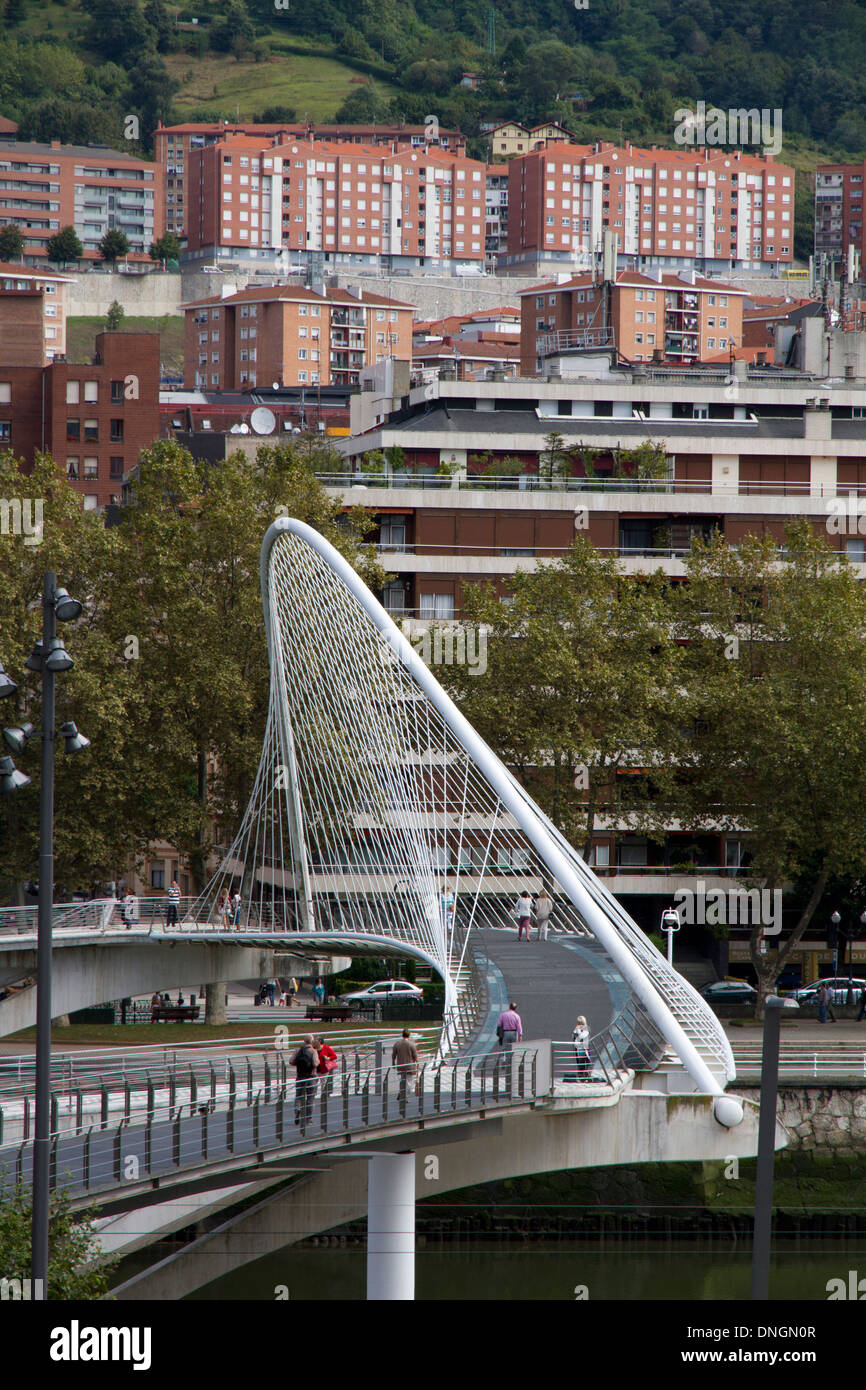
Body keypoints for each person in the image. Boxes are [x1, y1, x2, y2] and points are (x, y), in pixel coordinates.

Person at [291, 1035, 319, 1125]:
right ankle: (308, 1119)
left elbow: (291, 1061)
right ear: (312, 1041)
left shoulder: (298, 1050)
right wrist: (317, 1063)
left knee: (298, 1096)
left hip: (300, 1076)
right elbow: (315, 1063)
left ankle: (297, 1110)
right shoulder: (313, 1051)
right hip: (311, 1076)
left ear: (304, 1041)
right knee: (310, 1098)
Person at [392, 1028, 420, 1096]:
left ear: (402, 1035)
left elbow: (393, 1055)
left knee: (402, 1080)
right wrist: (418, 1065)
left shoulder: (397, 1044)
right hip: (410, 1067)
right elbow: (415, 1056)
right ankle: (405, 1096)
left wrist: (393, 1063)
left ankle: (401, 1092)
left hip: (400, 1066)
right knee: (409, 1082)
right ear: (409, 1035)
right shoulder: (411, 1044)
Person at [572, 1014, 591, 1080]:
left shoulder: (585, 1029)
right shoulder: (577, 1030)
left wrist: (578, 1031)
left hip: (583, 1048)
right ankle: (583, 1075)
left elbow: (582, 1036)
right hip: (581, 1049)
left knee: (584, 1062)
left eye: (580, 1023)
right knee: (582, 1062)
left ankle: (584, 1075)